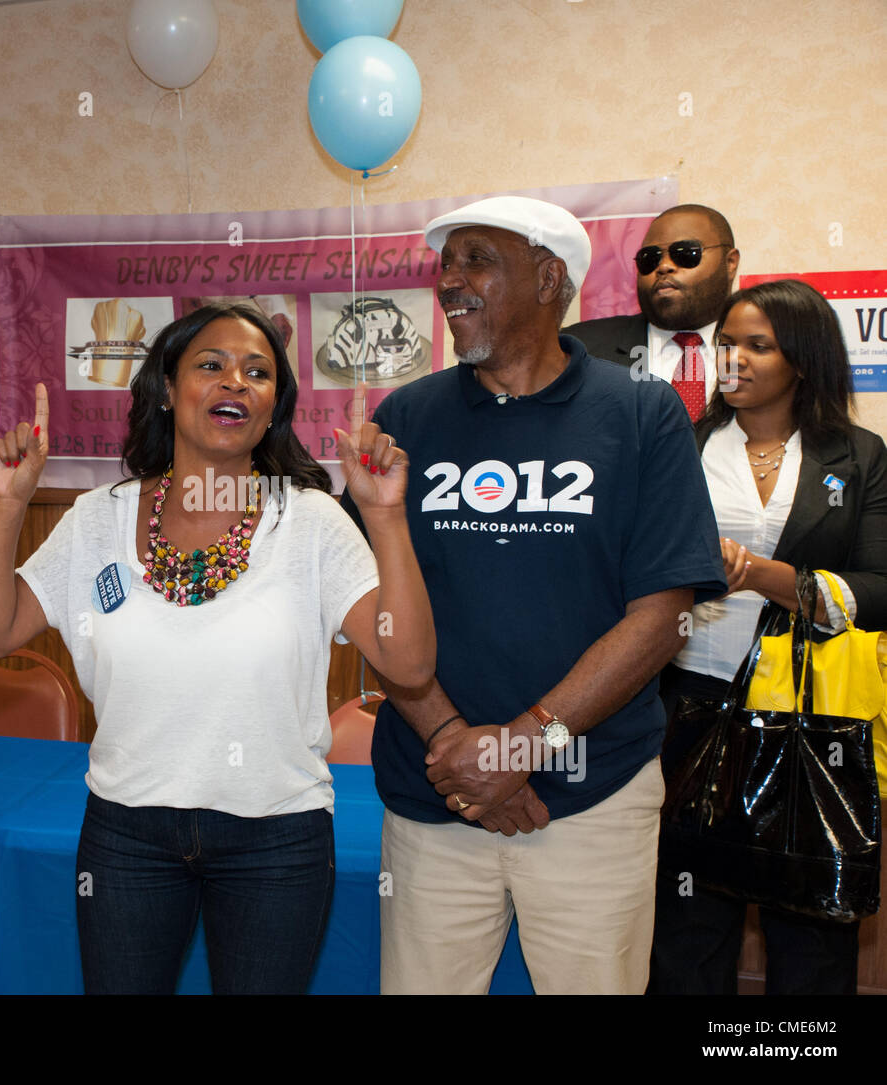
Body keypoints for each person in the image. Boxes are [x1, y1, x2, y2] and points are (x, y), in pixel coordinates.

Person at [0, 302, 436, 995]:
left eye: (258, 372)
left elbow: (409, 665)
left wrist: (387, 515)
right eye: (210, 365)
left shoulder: (307, 520)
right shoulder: (100, 517)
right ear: (165, 386)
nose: (235, 383)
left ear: (275, 405)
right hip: (125, 834)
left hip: (276, 836)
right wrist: (7, 505)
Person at [340, 195, 726, 995]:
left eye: (477, 258)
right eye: (445, 264)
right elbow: (364, 602)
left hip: (591, 800)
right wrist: (458, 743)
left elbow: (661, 618)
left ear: (551, 278)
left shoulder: (642, 415)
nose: (450, 281)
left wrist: (518, 746)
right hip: (433, 792)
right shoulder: (406, 415)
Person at [651, 278, 887, 995]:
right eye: (728, 343)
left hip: (812, 718)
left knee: (811, 924)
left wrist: (762, 574)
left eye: (759, 345)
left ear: (805, 360)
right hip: (688, 708)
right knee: (690, 924)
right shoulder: (680, 444)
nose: (734, 359)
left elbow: (879, 589)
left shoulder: (860, 455)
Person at [563, 203, 739, 421]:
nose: (664, 266)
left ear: (730, 262)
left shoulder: (766, 352)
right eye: (650, 258)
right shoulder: (579, 349)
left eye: (685, 254)